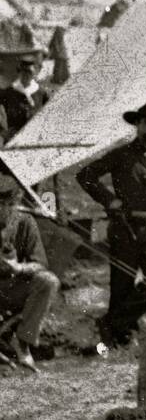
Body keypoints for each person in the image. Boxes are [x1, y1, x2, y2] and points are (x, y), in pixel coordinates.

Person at [77, 99, 146, 344]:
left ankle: (111, 323)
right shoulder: (121, 155)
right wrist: (109, 200)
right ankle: (120, 336)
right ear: (137, 124)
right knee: (122, 286)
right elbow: (85, 176)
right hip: (125, 229)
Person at [0, 174, 59, 371]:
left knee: (48, 281)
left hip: (11, 287)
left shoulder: (25, 222)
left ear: (15, 202)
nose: (2, 209)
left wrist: (18, 268)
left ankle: (22, 342)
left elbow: (40, 263)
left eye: (7, 203)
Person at [0, 20, 48, 144]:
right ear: (19, 72)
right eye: (24, 73)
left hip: (34, 141)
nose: (26, 76)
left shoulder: (42, 94)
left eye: (29, 73)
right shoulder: (8, 93)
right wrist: (3, 132)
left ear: (34, 74)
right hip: (13, 142)